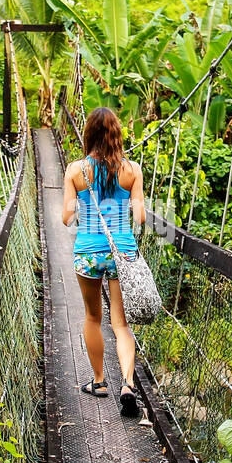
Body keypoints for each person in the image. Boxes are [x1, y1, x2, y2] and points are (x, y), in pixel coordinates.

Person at [61, 107, 145, 417]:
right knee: (120, 323)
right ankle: (127, 383)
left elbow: (67, 218)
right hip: (122, 252)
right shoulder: (132, 169)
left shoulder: (75, 171)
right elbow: (141, 217)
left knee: (93, 317)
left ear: (89, 135)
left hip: (88, 252)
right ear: (116, 134)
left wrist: (82, 203)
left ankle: (98, 382)